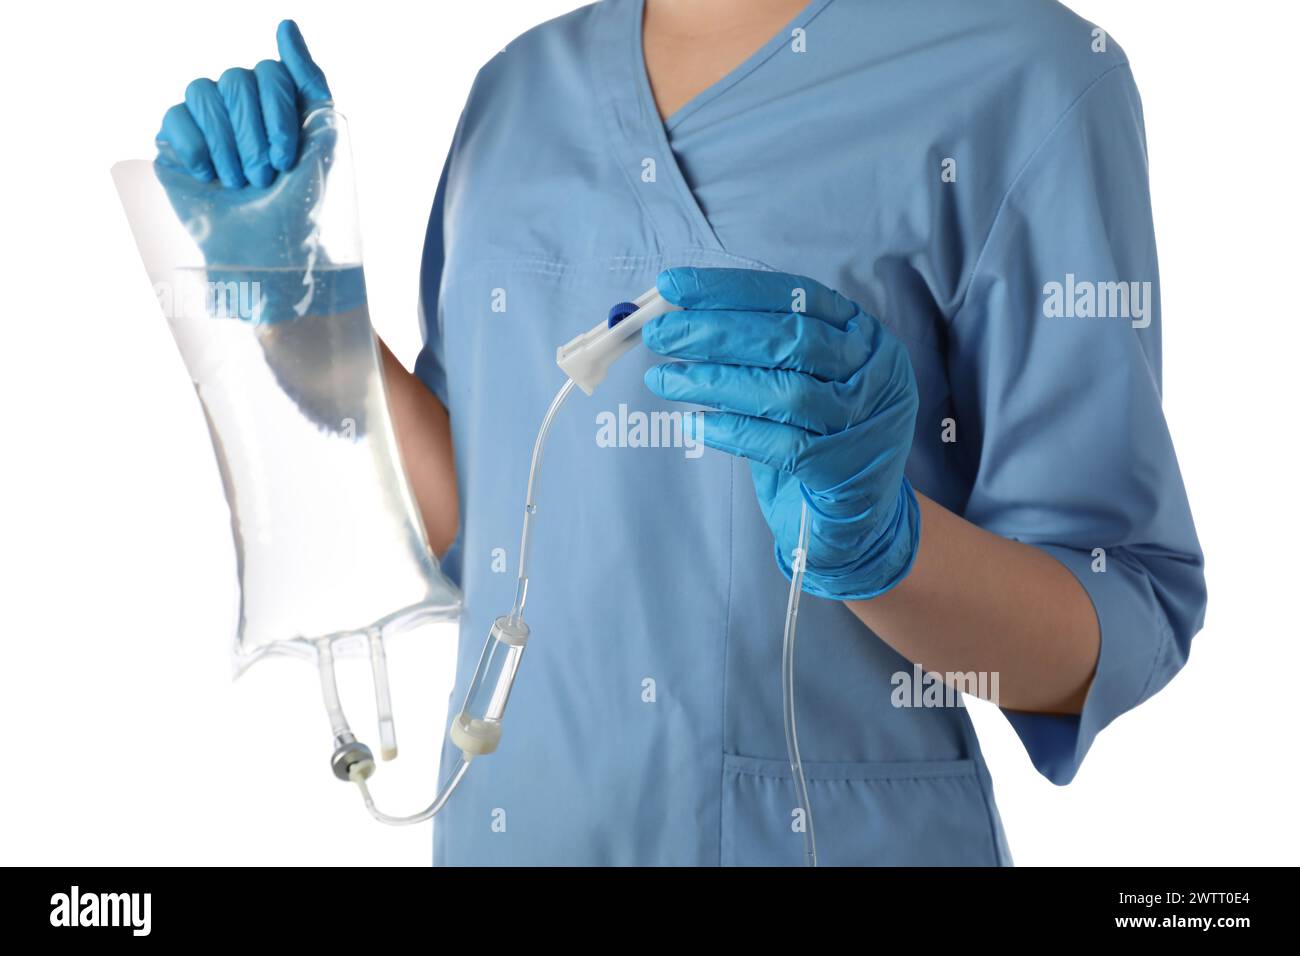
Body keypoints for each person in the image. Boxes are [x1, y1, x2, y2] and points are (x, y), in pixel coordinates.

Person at [156, 0, 1206, 865]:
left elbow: (1115, 613)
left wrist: (882, 544)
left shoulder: (1026, 75)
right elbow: (485, 520)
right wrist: (296, 298)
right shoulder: (516, 91)